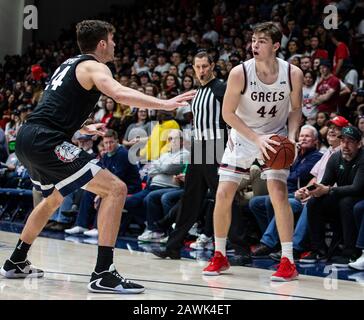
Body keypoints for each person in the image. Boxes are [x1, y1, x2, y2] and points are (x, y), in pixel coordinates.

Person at [0, 20, 195, 294]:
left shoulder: (69, 64)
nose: (115, 45)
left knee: (52, 199)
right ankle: (104, 272)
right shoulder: (95, 66)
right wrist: (165, 103)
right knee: (116, 189)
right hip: (46, 140)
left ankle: (16, 260)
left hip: (28, 136)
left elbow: (54, 107)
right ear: (102, 43)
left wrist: (80, 127)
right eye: (113, 40)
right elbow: (118, 93)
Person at [203, 22, 303, 281]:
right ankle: (220, 255)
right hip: (245, 135)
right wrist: (255, 138)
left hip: (276, 136)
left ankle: (288, 260)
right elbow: (227, 114)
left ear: (276, 45)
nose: (254, 45)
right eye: (253, 40)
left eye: (261, 41)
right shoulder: (240, 73)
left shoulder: (293, 74)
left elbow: (295, 109)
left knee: (278, 194)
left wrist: (291, 138)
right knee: (223, 192)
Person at [151, 51, 228, 259]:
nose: (201, 70)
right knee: (189, 199)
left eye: (205, 66)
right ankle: (172, 247)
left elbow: (232, 117)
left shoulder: (221, 87)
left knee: (223, 196)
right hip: (199, 147)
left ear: (212, 65)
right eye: (198, 67)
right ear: (193, 68)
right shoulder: (197, 93)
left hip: (216, 145)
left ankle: (238, 246)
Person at [305, 126, 364, 267]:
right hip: (342, 195)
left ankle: (350, 252)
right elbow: (324, 183)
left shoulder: (363, 158)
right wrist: (309, 190)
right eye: (343, 141)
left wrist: (328, 189)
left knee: (346, 202)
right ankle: (318, 249)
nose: (345, 145)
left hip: (359, 196)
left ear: (359, 144)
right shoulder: (335, 157)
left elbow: (357, 188)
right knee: (314, 202)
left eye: (350, 142)